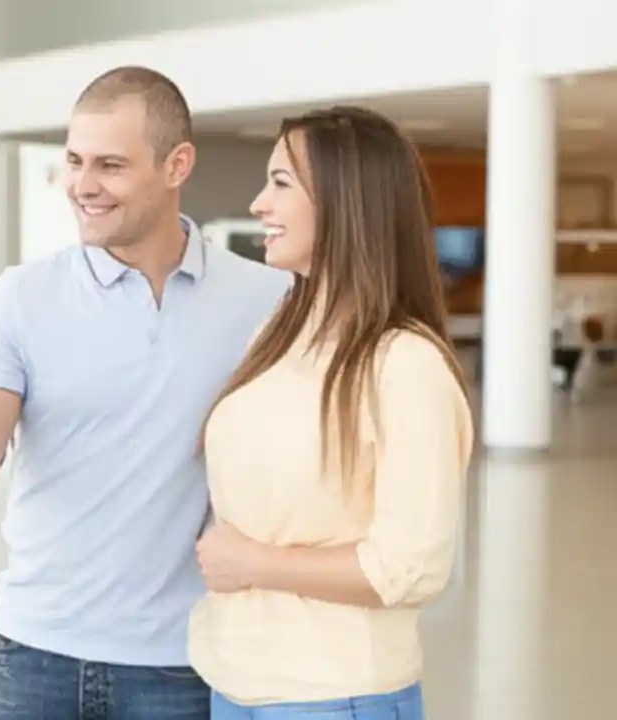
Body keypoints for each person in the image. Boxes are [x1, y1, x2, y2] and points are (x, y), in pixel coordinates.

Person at [0, 66, 290, 719]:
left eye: (111, 166)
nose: (83, 186)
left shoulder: (265, 301)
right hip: (32, 657)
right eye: (73, 161)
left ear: (177, 165)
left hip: (181, 666)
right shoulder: (21, 297)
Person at [187, 106, 474, 719]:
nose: (260, 204)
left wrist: (255, 564)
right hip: (235, 682)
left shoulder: (405, 364)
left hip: (334, 694)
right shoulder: (280, 330)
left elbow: (409, 568)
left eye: (281, 183)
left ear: (348, 202)